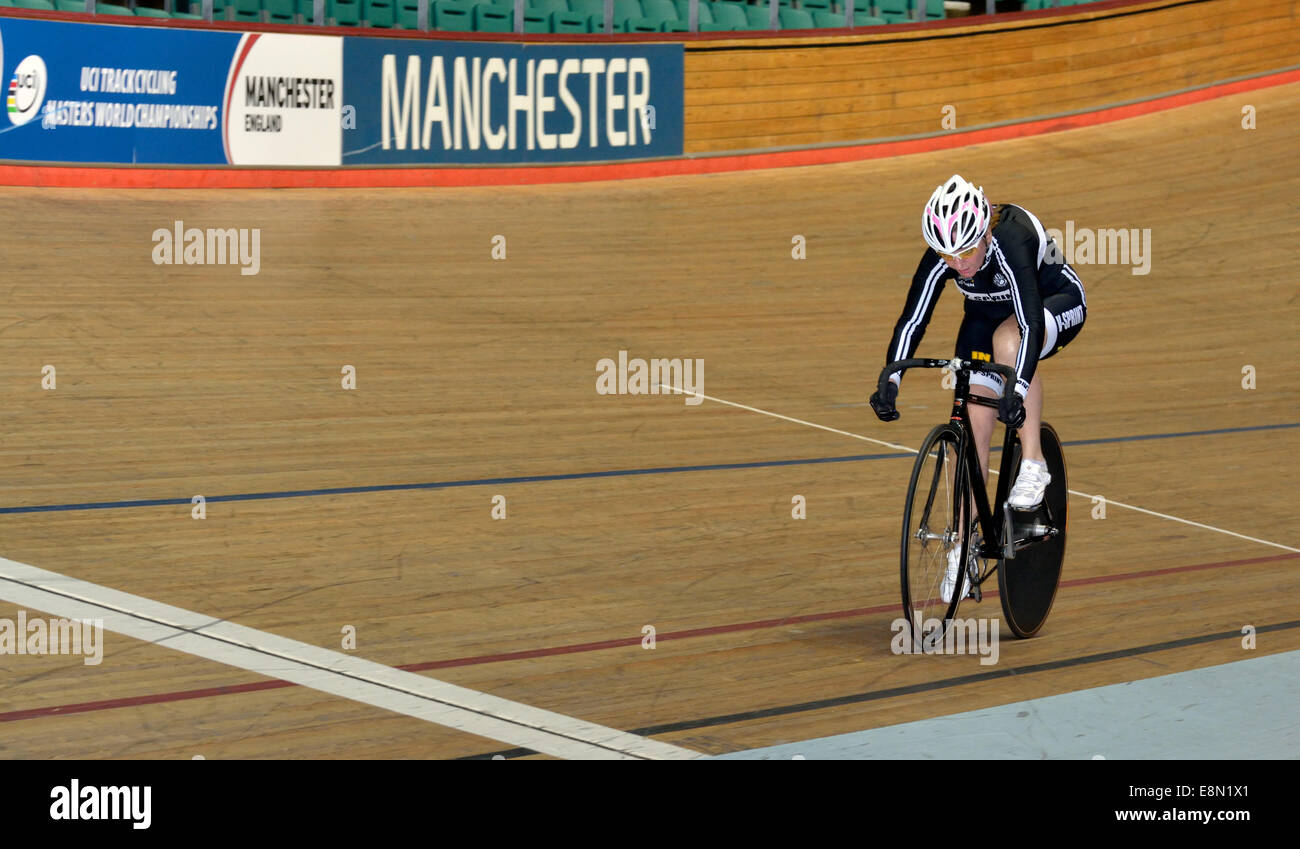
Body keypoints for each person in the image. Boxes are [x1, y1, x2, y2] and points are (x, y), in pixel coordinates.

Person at [869, 175, 1087, 602]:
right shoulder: (945, 256)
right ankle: (962, 551)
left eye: (967, 251)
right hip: (984, 318)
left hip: (1053, 304)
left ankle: (1034, 465)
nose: (960, 264)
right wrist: (890, 379)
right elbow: (913, 318)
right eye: (949, 256)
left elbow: (1028, 325)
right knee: (974, 436)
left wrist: (1017, 391)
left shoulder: (1013, 239)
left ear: (985, 232)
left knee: (1009, 344)